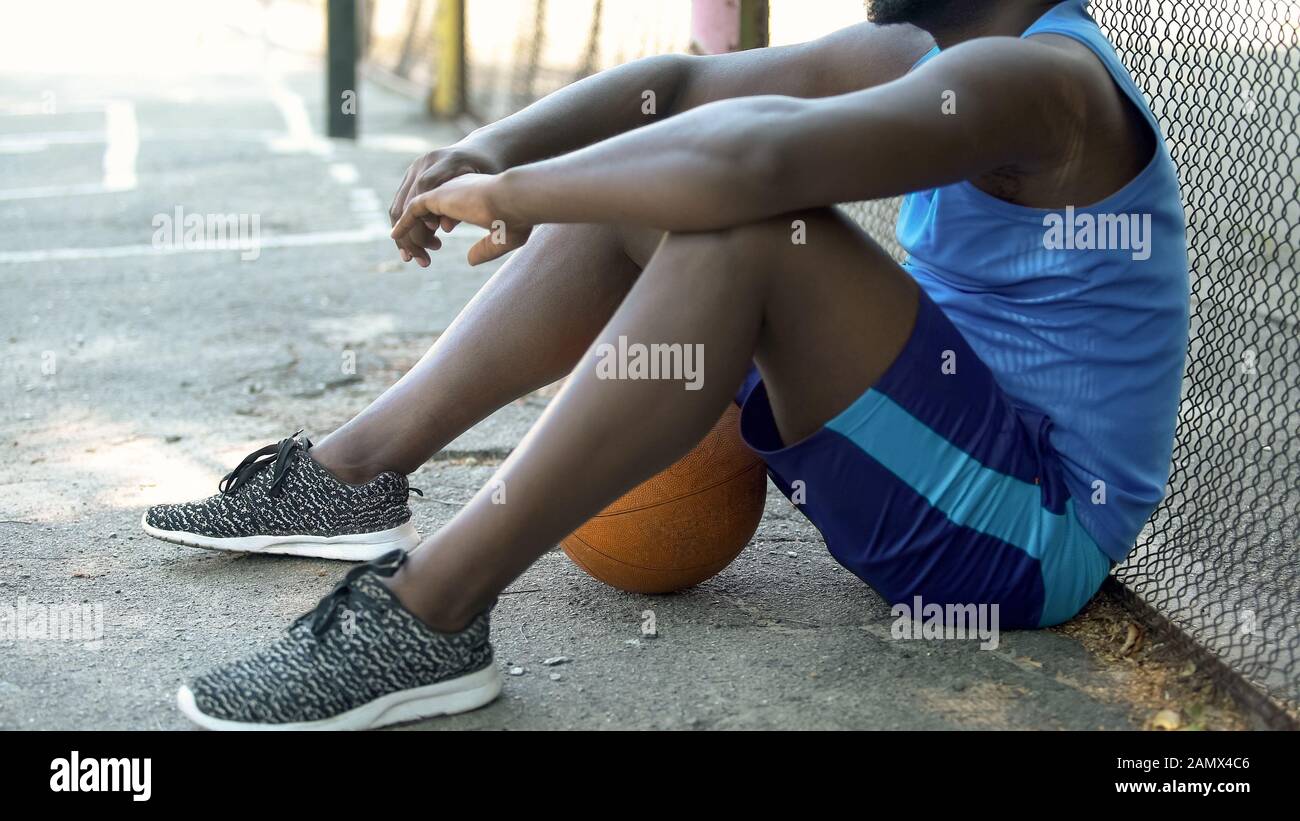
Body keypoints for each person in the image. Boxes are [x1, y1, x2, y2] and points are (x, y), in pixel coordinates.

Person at [146, 0, 1188, 730]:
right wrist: (494, 147)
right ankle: (348, 477)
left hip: (1020, 537)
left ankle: (426, 614)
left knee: (737, 223)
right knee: (652, 187)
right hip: (943, 463)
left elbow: (753, 162)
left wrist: (520, 193)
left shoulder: (1035, 80)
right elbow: (679, 89)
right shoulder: (943, 48)